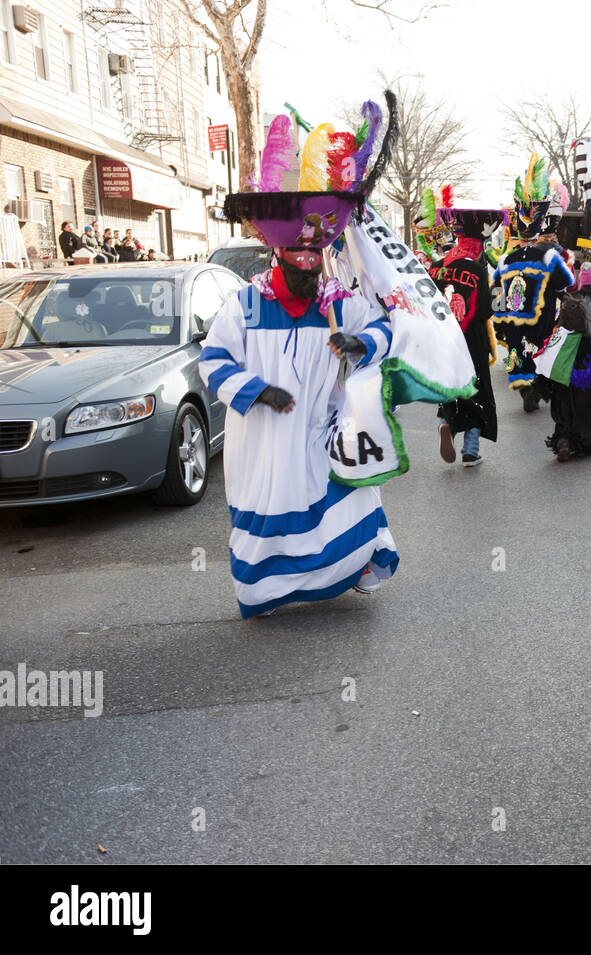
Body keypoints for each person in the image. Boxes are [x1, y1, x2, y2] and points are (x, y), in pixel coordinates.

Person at [198, 96, 400, 619]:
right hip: (262, 440)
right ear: (278, 255)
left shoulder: (337, 302)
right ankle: (267, 592)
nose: (309, 267)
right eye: (298, 259)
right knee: (269, 515)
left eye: (316, 259)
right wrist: (255, 390)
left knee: (351, 500)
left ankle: (353, 570)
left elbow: (385, 328)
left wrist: (360, 345)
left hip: (320, 430)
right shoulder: (244, 306)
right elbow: (213, 359)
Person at [494, 155, 575, 412]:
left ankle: (523, 386)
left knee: (516, 352)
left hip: (513, 317)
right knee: (538, 349)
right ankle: (537, 387)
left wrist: (500, 318)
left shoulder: (506, 258)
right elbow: (566, 283)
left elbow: (495, 291)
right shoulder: (549, 255)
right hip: (541, 315)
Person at [432, 201, 507, 467]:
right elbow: (486, 309)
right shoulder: (476, 268)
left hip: (444, 341)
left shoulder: (438, 266)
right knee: (477, 392)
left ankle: (446, 424)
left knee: (449, 386)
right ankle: (470, 450)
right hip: (472, 341)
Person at [532, 295, 591, 460]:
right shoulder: (589, 340)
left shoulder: (557, 341)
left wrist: (538, 388)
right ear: (584, 319)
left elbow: (547, 366)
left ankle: (564, 442)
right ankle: (587, 442)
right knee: (587, 420)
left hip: (563, 390)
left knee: (564, 421)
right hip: (586, 391)